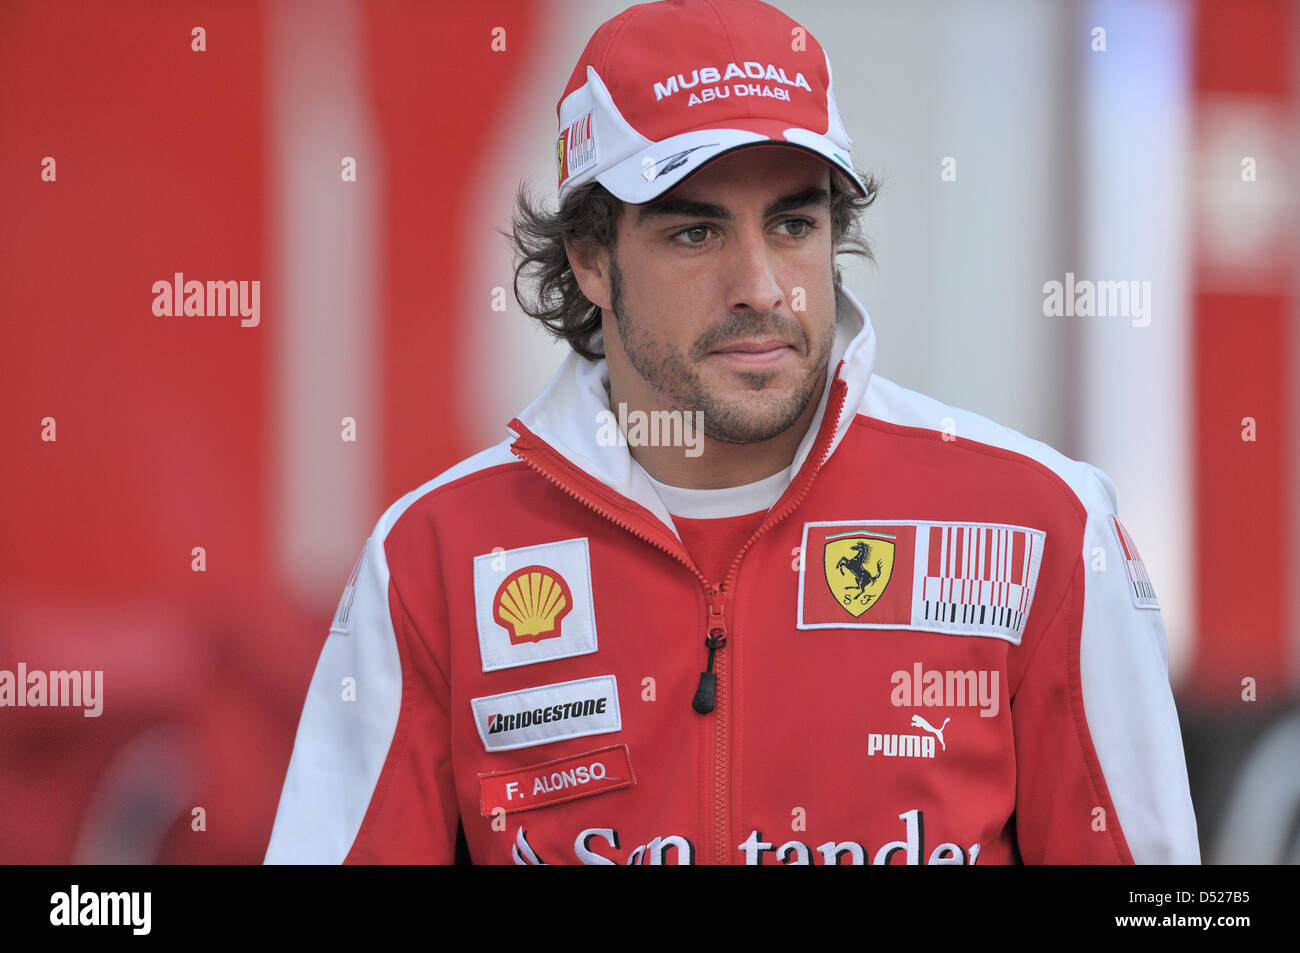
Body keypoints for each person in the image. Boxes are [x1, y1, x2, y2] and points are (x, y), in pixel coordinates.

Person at [265, 0, 1200, 865]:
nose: (761, 285)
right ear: (591, 260)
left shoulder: (1040, 528)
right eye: (695, 233)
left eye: (793, 223)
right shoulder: (434, 560)